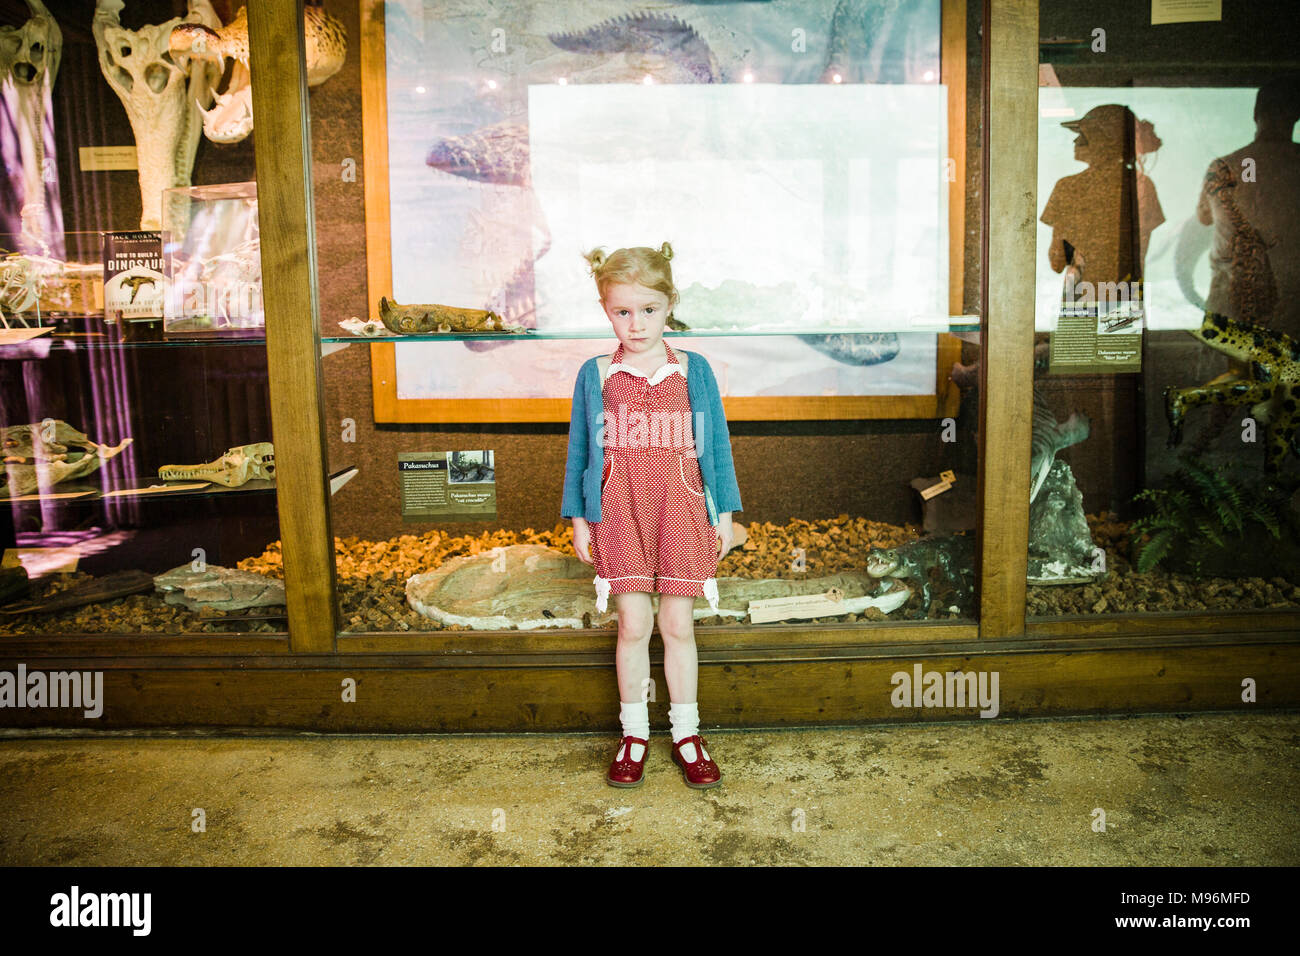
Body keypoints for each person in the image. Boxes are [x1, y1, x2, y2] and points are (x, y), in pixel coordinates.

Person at [560, 242, 743, 790]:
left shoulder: (694, 371)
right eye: (622, 312)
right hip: (619, 511)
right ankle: (634, 732)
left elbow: (718, 450)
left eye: (648, 310)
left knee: (676, 624)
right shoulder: (595, 374)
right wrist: (578, 518)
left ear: (669, 305)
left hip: (681, 508)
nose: (635, 324)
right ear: (605, 310)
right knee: (634, 624)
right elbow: (579, 453)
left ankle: (686, 732)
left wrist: (726, 513)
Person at [1195, 75, 1300, 341]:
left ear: (1255, 114)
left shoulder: (1223, 166)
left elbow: (1204, 217)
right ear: (1296, 115)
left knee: (1230, 379)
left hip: (1230, 304)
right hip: (1293, 305)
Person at [1041, 104, 1165, 318]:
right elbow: (1141, 253)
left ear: (1104, 141)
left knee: (1078, 350)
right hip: (1126, 297)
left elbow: (1056, 261)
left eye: (1083, 135)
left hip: (1080, 299)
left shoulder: (1068, 188)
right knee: (1124, 351)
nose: (1075, 141)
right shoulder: (1142, 185)